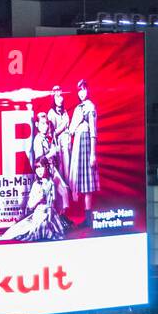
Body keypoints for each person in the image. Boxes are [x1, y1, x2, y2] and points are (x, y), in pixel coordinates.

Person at [0, 159, 65, 242]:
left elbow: (55, 201)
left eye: (41, 167)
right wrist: (39, 199)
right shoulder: (36, 184)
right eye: (37, 168)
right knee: (18, 230)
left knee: (45, 226)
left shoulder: (51, 182)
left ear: (46, 167)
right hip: (38, 213)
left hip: (50, 214)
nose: (39, 170)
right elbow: (30, 205)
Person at [69, 78, 99, 217]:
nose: (81, 93)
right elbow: (72, 129)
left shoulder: (90, 107)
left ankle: (88, 218)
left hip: (86, 143)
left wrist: (93, 154)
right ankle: (80, 216)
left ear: (88, 90)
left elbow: (93, 131)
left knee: (88, 183)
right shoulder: (78, 108)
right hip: (78, 143)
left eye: (83, 89)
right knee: (79, 181)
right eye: (79, 90)